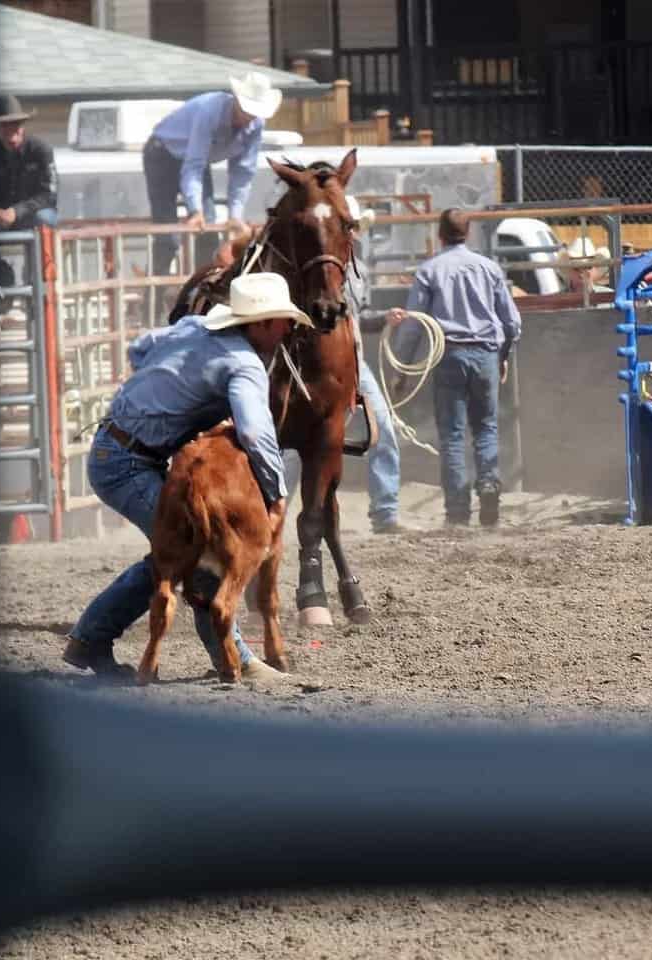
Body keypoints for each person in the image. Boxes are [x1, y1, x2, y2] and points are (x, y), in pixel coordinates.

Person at [62, 272, 310, 681]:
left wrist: (159, 393)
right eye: (283, 320)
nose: (289, 328)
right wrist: (276, 491)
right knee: (186, 555)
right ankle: (238, 660)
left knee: (174, 552)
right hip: (128, 464)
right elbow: (253, 432)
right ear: (261, 323)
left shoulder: (195, 326)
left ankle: (91, 639)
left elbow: (140, 347)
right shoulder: (244, 363)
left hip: (118, 448)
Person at [387, 208, 522, 527]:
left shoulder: (429, 270)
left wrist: (403, 370)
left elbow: (413, 324)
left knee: (452, 435)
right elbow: (512, 321)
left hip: (448, 354)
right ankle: (488, 484)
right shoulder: (489, 268)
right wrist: (502, 356)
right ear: (469, 232)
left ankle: (458, 512)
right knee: (486, 427)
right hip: (486, 353)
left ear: (440, 234)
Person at [282, 196, 404, 533]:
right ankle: (274, 512)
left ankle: (386, 512)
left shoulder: (357, 269)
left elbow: (356, 317)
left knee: (382, 430)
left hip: (353, 363)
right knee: (296, 446)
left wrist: (382, 319)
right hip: (316, 368)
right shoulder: (311, 267)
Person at [142, 72, 282, 278]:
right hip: (163, 154)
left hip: (196, 161)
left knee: (208, 230)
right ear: (236, 101)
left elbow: (243, 171)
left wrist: (235, 214)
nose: (248, 117)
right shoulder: (210, 111)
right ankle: (154, 295)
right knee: (168, 235)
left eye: (254, 113)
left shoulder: (255, 125)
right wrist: (194, 209)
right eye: (247, 110)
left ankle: (202, 288)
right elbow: (194, 164)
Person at [0, 94, 58, 288]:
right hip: (1, 218)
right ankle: (3, 279)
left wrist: (17, 211)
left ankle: (40, 283)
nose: (11, 132)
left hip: (33, 215)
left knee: (46, 219)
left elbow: (50, 194)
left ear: (23, 126)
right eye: (5, 126)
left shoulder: (42, 150)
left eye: (15, 125)